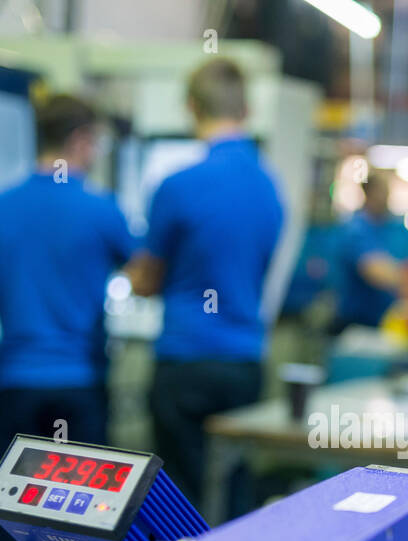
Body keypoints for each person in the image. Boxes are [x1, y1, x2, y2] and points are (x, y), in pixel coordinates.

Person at [0, 94, 149, 541]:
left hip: (12, 383)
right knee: (76, 523)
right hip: (76, 387)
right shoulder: (100, 209)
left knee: (7, 519)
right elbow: (142, 276)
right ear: (79, 140)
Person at [132, 58, 284, 509]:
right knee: (231, 489)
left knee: (179, 499)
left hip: (185, 361)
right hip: (243, 363)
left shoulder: (178, 186)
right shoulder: (269, 188)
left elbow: (147, 280)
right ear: (247, 109)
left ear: (190, 107)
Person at [333, 176, 404, 335]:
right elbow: (376, 272)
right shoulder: (356, 229)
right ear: (369, 193)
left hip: (380, 321)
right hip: (355, 323)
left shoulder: (385, 227)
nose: (387, 198)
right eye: (383, 192)